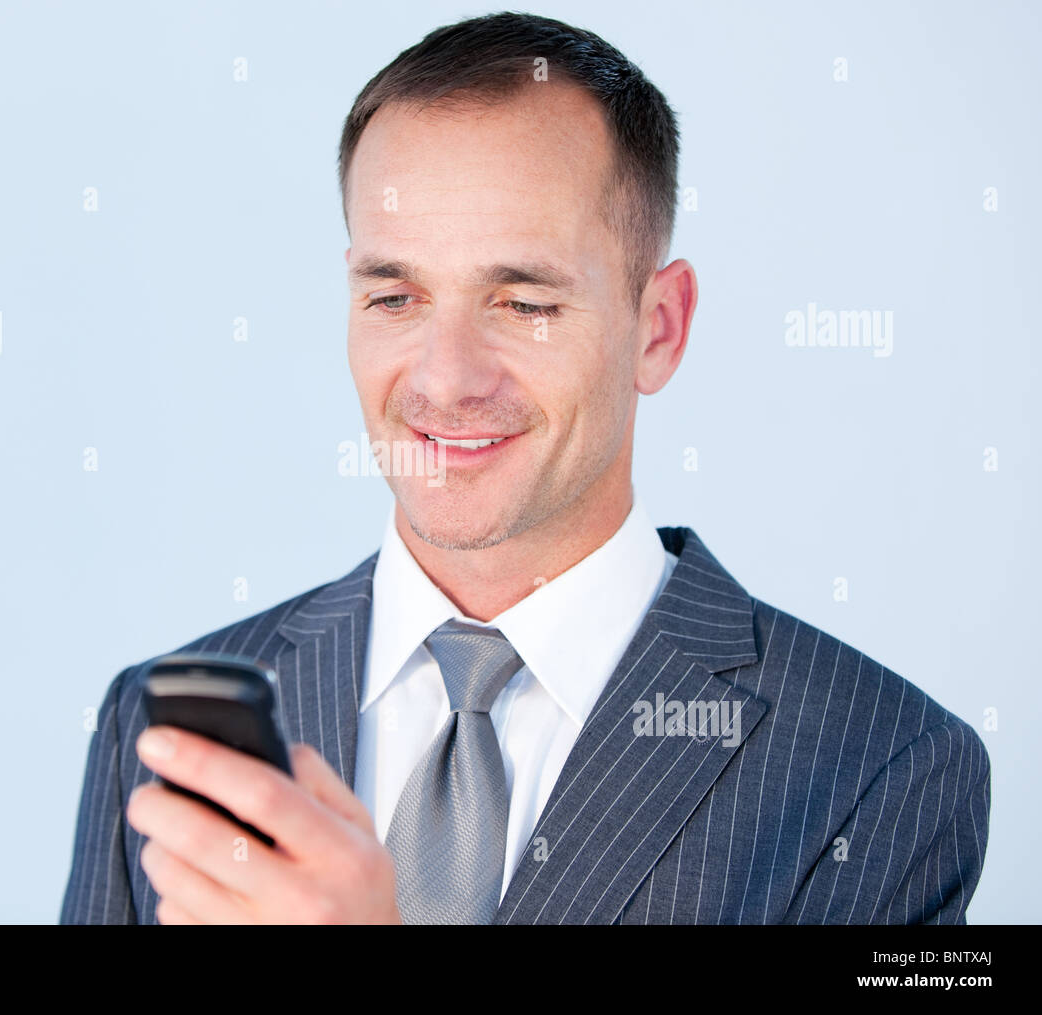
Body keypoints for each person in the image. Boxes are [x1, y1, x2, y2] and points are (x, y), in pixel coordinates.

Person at [60, 11, 989, 925]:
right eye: (394, 295)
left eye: (524, 302)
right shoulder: (156, 731)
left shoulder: (878, 769)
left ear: (657, 329)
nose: (443, 377)